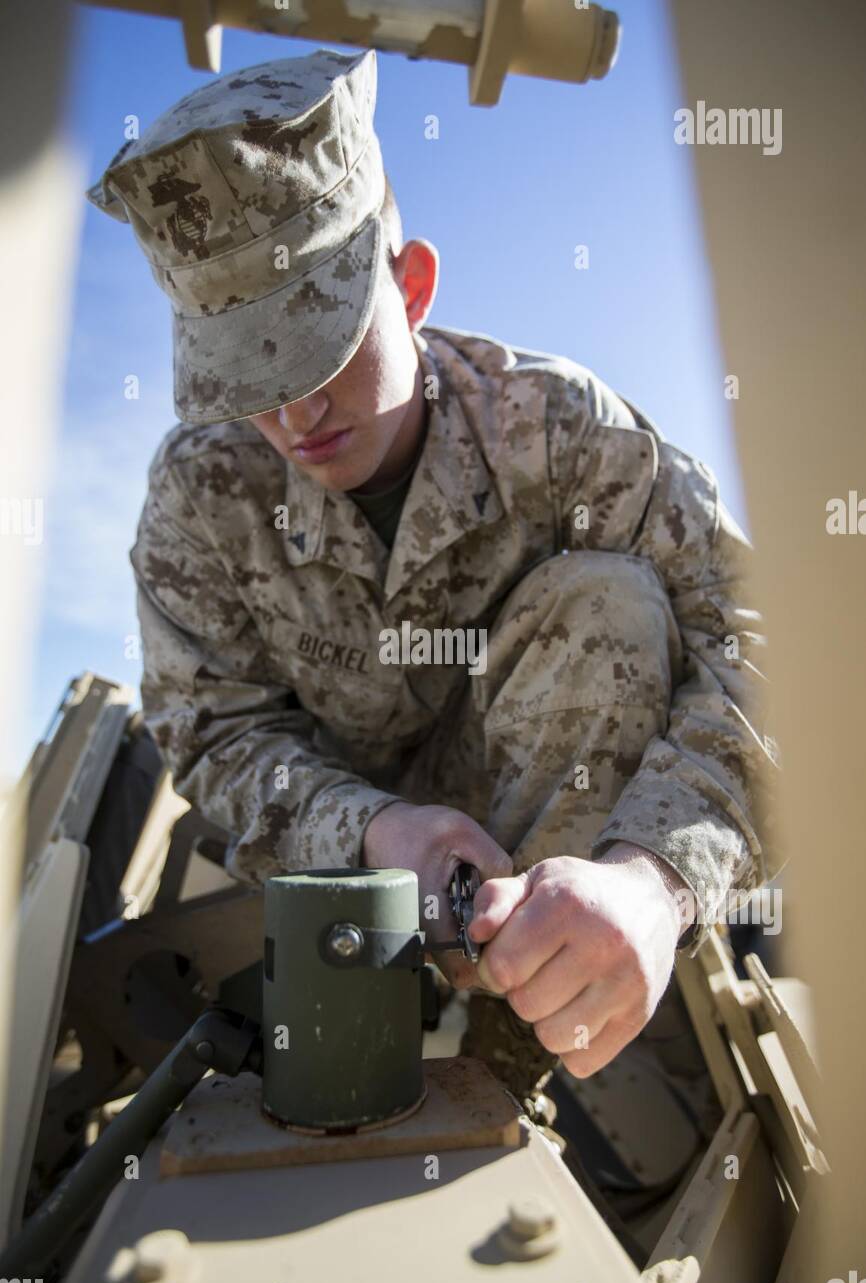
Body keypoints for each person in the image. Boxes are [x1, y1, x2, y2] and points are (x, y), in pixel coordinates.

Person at [87, 48, 779, 1111]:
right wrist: (366, 830)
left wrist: (657, 880)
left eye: (317, 355)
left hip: (559, 853)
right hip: (331, 878)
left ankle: (522, 1071)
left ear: (410, 288)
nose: (291, 417)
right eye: (249, 379)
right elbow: (212, 731)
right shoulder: (202, 495)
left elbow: (753, 637)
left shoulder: (554, 427)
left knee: (607, 607)